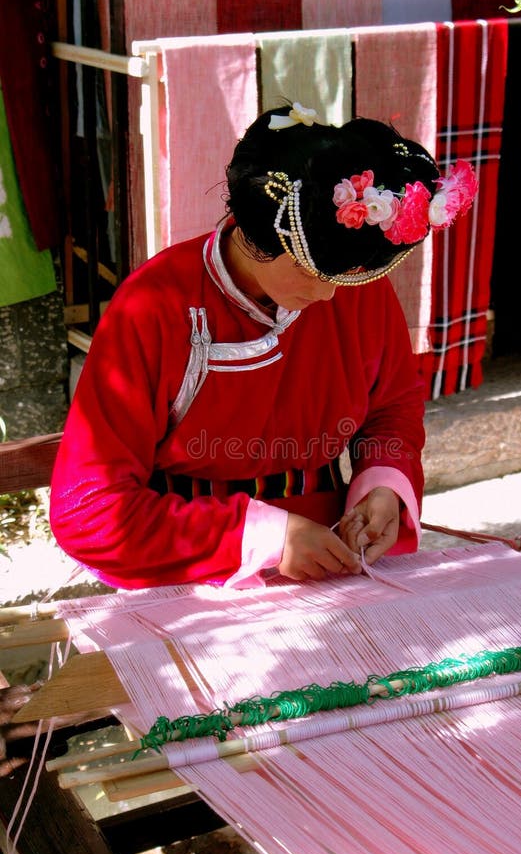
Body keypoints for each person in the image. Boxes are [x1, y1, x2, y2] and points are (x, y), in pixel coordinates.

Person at [49, 102, 477, 590]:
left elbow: (392, 408)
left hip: (337, 562)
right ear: (257, 235)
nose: (327, 294)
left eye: (342, 277)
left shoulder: (349, 281)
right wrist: (265, 537)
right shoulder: (154, 306)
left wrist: (382, 485)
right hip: (191, 567)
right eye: (311, 271)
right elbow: (89, 510)